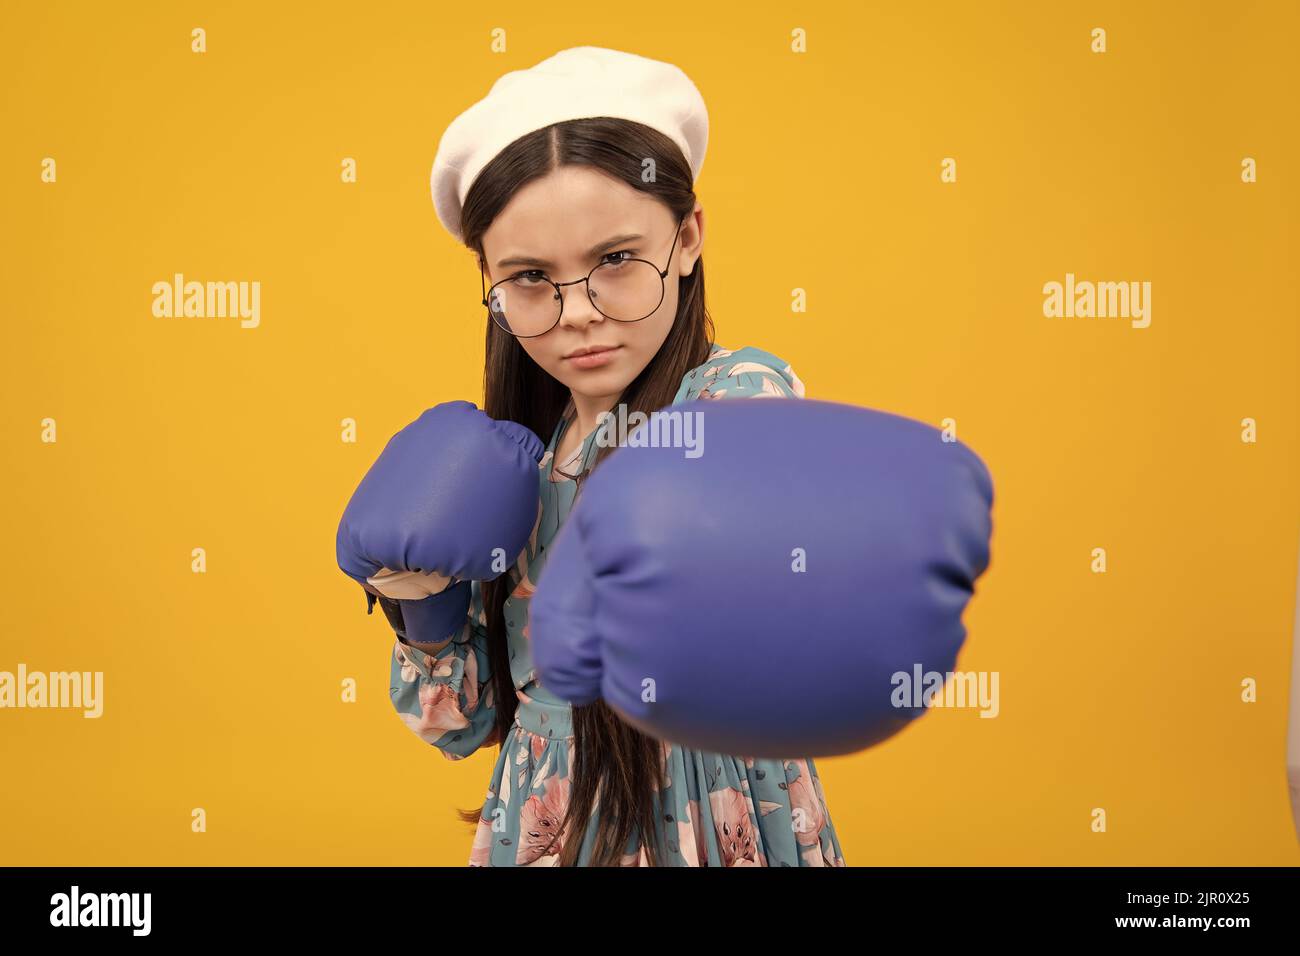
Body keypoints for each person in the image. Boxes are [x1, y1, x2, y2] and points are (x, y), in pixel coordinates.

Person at [371, 46, 846, 866]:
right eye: (529, 276)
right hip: (547, 820)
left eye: (616, 261)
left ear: (688, 236)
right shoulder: (507, 470)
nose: (579, 312)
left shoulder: (735, 392)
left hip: (713, 811)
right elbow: (463, 724)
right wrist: (422, 605)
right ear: (487, 280)